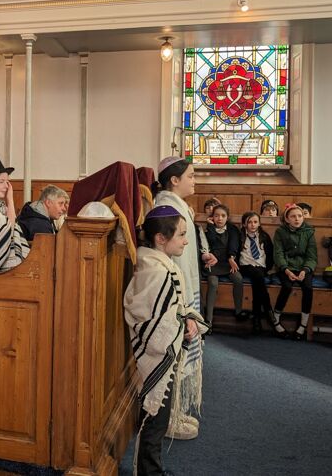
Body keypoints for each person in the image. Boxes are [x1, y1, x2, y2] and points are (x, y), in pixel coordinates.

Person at [124, 205, 208, 476]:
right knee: (155, 420)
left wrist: (188, 318)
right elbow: (146, 316)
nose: (186, 240)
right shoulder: (155, 271)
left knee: (158, 417)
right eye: (182, 235)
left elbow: (175, 305)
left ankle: (153, 469)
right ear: (161, 238)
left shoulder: (162, 264)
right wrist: (182, 324)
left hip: (167, 350)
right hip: (157, 355)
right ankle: (148, 472)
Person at [152, 156, 210, 440]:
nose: (194, 180)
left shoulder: (178, 206)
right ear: (174, 180)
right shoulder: (167, 207)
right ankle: (168, 419)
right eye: (191, 175)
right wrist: (183, 303)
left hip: (186, 286)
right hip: (178, 290)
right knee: (175, 354)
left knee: (183, 352)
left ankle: (176, 411)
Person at [272, 204, 317, 340]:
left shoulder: (309, 232)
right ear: (287, 219)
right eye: (293, 216)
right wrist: (285, 269)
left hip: (304, 267)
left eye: (300, 216)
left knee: (308, 288)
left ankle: (303, 325)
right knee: (286, 286)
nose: (297, 219)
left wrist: (305, 270)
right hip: (286, 266)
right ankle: (276, 319)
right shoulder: (280, 232)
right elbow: (278, 253)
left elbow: (312, 256)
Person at [204, 204, 249, 324]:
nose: (219, 218)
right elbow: (211, 241)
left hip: (229, 261)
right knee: (213, 283)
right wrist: (210, 226)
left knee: (238, 279)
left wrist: (231, 257)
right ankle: (209, 319)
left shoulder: (232, 229)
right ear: (212, 217)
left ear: (227, 217)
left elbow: (234, 245)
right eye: (216, 215)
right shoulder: (208, 229)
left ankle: (238, 311)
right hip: (212, 263)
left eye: (223, 216)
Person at [238, 211, 275, 334]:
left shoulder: (264, 236)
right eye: (249, 222)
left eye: (255, 222)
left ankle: (257, 319)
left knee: (257, 283)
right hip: (245, 267)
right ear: (244, 224)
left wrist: (267, 269)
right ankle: (268, 309)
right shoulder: (240, 236)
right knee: (257, 277)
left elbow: (270, 255)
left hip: (260, 268)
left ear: (259, 223)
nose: (253, 225)